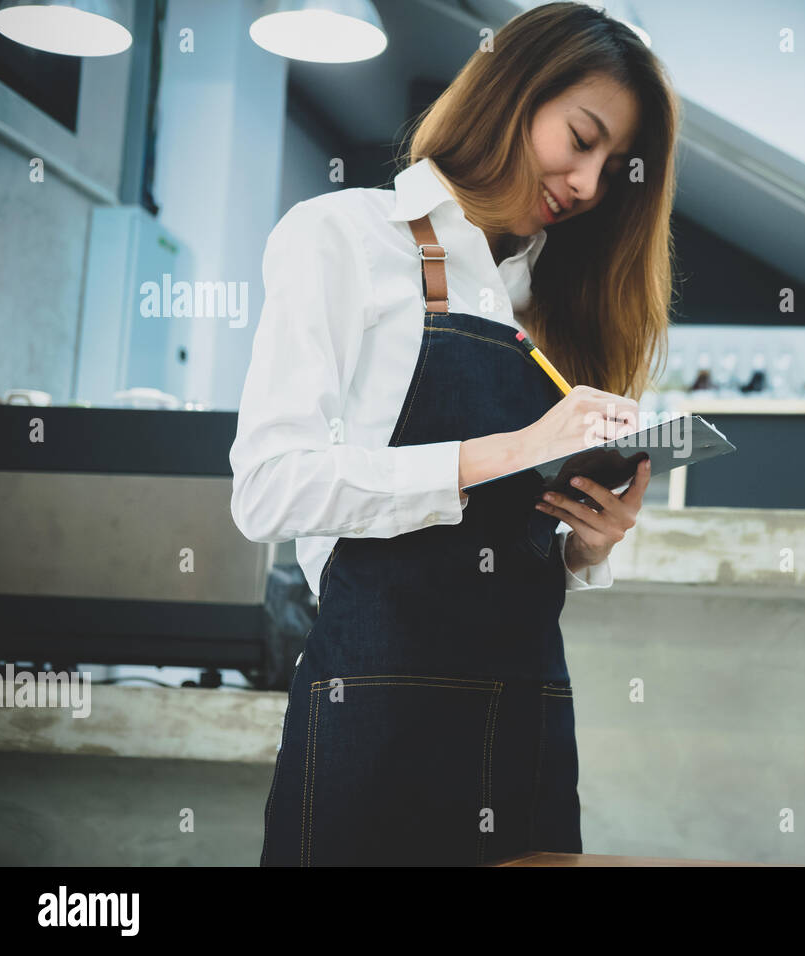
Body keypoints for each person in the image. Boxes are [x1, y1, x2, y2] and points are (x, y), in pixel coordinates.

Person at [230, 3, 679, 865]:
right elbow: (269, 488)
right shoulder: (345, 238)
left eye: (613, 166)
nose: (589, 184)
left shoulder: (567, 301)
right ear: (512, 92)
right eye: (581, 139)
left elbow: (526, 533)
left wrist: (588, 541)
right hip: (371, 714)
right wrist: (501, 452)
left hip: (529, 713)